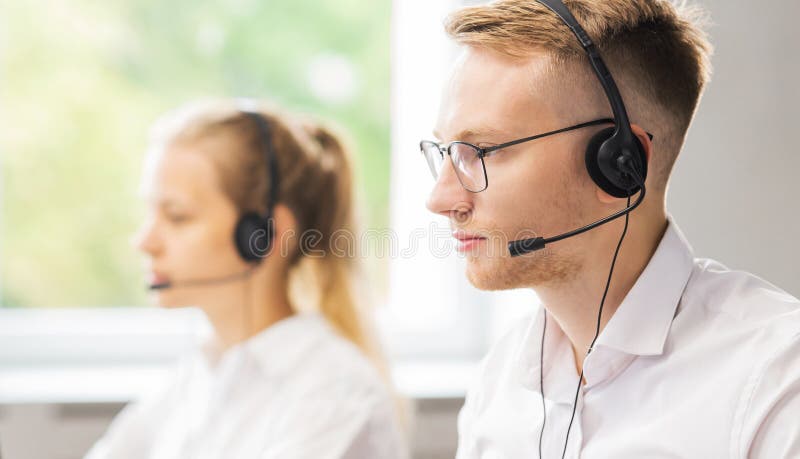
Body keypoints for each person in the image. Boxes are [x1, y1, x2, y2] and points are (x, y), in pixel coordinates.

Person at [419, 0, 800, 457]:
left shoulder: (776, 385)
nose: (441, 201)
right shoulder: (500, 379)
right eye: (446, 151)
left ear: (619, 164)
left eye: (483, 151)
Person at [85, 99, 407, 459]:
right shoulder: (194, 378)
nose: (145, 241)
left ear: (266, 234)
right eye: (150, 212)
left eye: (176, 217)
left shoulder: (335, 393)